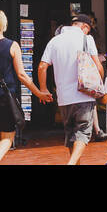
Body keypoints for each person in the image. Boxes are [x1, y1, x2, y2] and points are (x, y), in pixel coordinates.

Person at [0, 9, 49, 165]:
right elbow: (21, 75)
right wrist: (38, 93)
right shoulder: (13, 46)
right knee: (8, 136)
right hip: (4, 97)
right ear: (4, 24)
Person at [37, 12, 102, 165]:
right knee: (83, 133)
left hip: (64, 98)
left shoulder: (55, 41)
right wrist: (100, 86)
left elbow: (42, 67)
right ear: (85, 27)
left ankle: (73, 162)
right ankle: (71, 163)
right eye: (89, 29)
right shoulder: (87, 38)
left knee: (72, 134)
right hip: (84, 95)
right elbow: (98, 66)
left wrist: (43, 89)